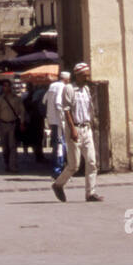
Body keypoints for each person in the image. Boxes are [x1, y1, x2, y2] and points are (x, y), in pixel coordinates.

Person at [52, 63, 102, 202]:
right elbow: (66, 110)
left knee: (92, 162)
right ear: (78, 75)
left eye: (88, 74)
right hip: (74, 129)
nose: (87, 77)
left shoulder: (86, 89)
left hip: (86, 128)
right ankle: (58, 184)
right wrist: (73, 129)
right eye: (85, 75)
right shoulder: (69, 89)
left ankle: (90, 193)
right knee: (74, 165)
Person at [0, 80, 26, 172]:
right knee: (5, 147)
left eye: (8, 86)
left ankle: (13, 166)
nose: (6, 88)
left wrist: (22, 123)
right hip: (3, 124)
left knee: (13, 146)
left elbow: (22, 111)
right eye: (5, 86)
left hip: (13, 124)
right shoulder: (0, 100)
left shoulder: (17, 99)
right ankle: (7, 163)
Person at [43, 71, 70, 177]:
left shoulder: (52, 85)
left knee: (56, 144)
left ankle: (56, 168)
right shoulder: (62, 87)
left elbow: (44, 100)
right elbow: (58, 103)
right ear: (67, 79)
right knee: (60, 145)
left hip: (52, 120)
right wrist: (64, 117)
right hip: (59, 121)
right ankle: (58, 170)